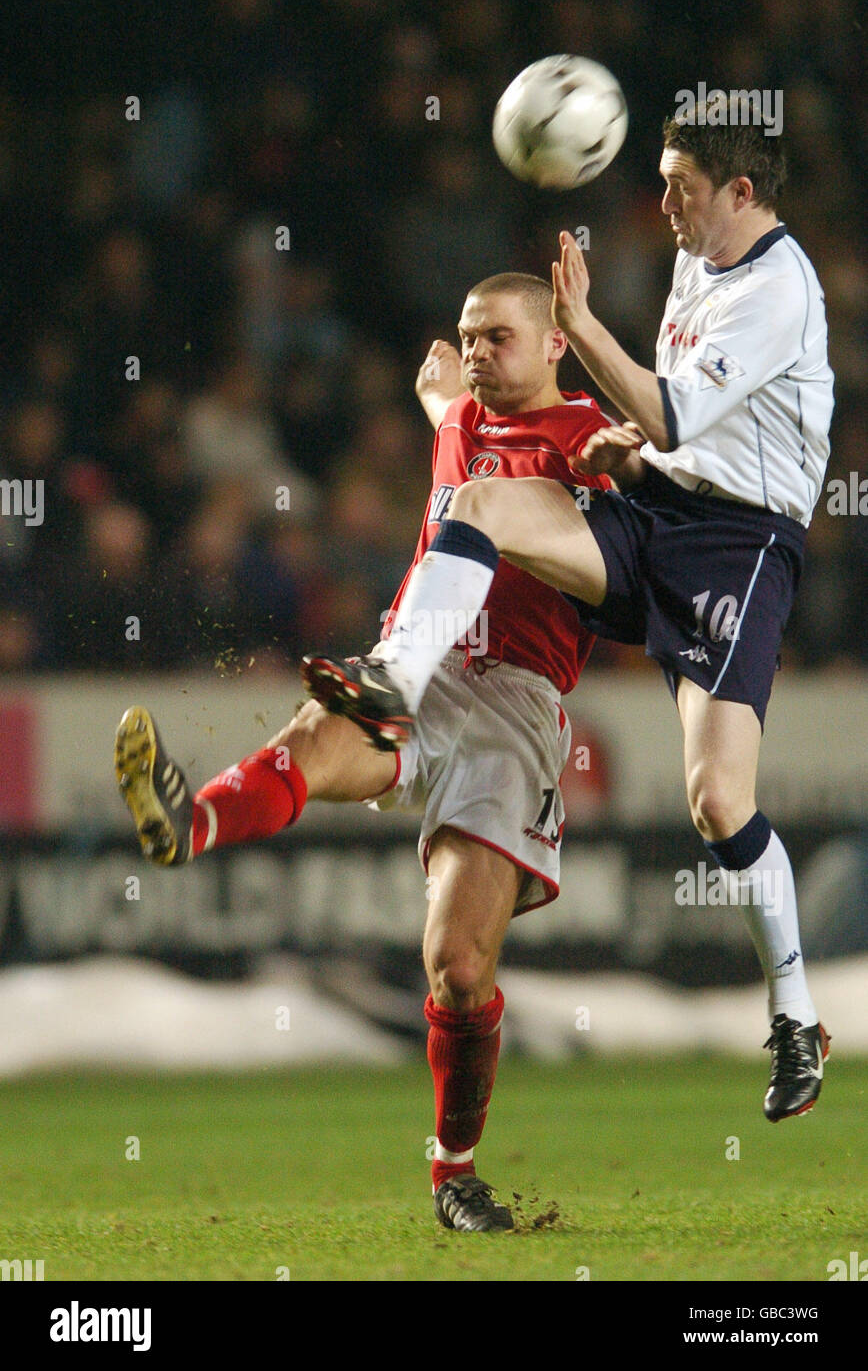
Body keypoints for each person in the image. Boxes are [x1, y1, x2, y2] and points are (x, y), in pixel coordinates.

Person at [303, 110, 835, 1124]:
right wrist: (629, 454)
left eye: (681, 183)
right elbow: (675, 429)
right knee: (484, 504)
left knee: (717, 800)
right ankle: (397, 677)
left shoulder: (776, 287)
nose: (664, 199)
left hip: (739, 549)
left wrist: (582, 330)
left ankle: (794, 1016)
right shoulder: (699, 261)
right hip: (654, 511)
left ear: (740, 193)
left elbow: (681, 410)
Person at [115, 273, 616, 1232]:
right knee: (320, 733)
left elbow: (630, 480)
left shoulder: (588, 437)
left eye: (499, 337)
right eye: (467, 336)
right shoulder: (459, 414)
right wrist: (443, 393)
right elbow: (446, 394)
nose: (475, 353)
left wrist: (624, 463)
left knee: (458, 968)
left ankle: (455, 1174)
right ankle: (191, 821)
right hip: (413, 672)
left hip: (514, 698)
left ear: (557, 345)